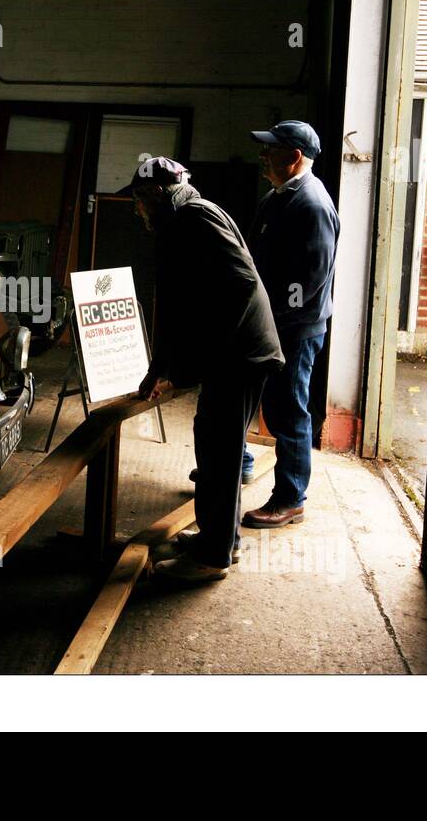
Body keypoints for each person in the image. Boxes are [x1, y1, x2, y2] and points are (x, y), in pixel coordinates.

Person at [133, 157, 284, 582]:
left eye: (141, 200)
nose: (138, 210)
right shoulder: (184, 218)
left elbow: (240, 285)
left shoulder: (192, 218)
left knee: (220, 452)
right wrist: (162, 367)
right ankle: (221, 541)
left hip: (241, 355)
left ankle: (211, 558)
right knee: (217, 444)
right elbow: (181, 307)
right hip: (236, 354)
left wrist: (196, 363)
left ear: (158, 194)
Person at [238, 120, 340, 528]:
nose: (263, 156)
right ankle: (242, 463)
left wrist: (274, 322)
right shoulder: (278, 197)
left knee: (290, 412)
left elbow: (309, 283)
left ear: (294, 157)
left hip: (294, 330)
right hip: (271, 323)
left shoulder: (311, 204)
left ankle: (290, 499)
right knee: (257, 400)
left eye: (271, 150)